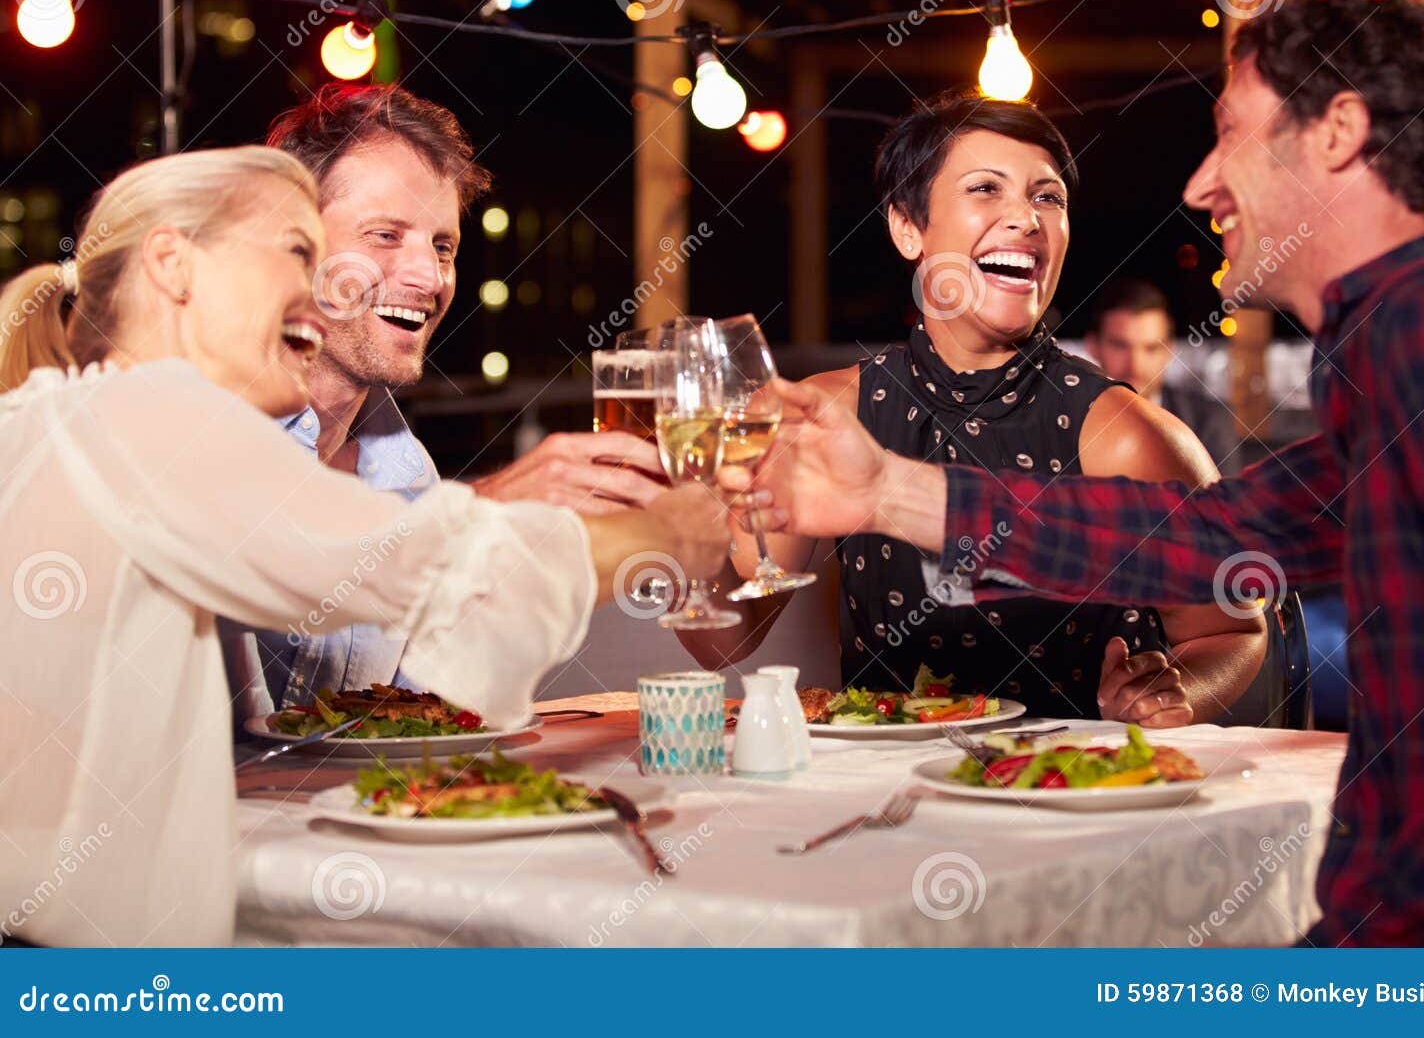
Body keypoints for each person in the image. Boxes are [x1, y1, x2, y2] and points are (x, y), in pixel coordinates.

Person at [742, 0, 1424, 946]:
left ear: (1336, 131)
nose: (1200, 184)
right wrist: (888, 489)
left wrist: (1396, 940)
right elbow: (1213, 536)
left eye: (1229, 130)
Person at [0, 147, 726, 946]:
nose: (323, 290)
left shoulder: (52, 416)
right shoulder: (150, 413)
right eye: (297, 252)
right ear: (174, 264)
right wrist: (661, 534)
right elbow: (422, 569)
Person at [681, 92, 1266, 725]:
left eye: (1048, 197)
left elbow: (1231, 632)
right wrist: (681, 529)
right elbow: (725, 641)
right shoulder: (827, 412)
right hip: (882, 801)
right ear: (908, 227)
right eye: (986, 189)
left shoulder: (1127, 436)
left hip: (1064, 796)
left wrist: (1173, 693)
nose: (1026, 218)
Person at [222, 84, 668, 713]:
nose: (429, 279)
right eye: (384, 235)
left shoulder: (408, 469)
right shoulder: (198, 431)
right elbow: (267, 558)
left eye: (442, 245)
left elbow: (422, 716)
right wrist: (487, 509)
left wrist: (551, 546)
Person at [1084, 278, 1240, 475]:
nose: (1135, 365)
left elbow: (1224, 503)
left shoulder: (1209, 422)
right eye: (1120, 345)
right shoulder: (1067, 422)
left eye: (1151, 348)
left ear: (1169, 350)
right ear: (1093, 347)